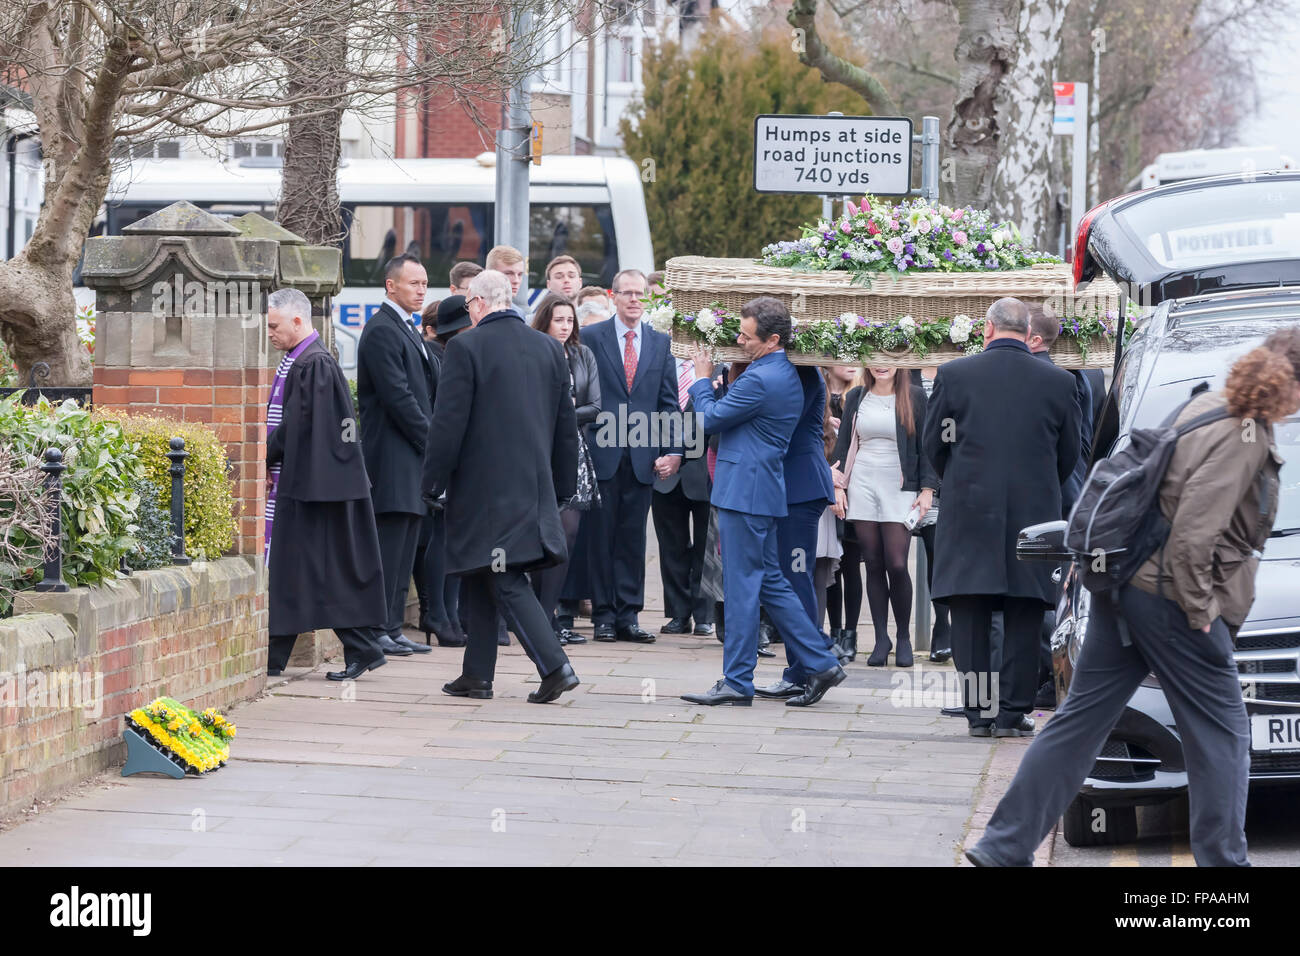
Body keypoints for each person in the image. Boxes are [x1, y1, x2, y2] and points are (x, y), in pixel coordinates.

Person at [969, 328, 1299, 868]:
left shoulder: (1206, 405)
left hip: (1120, 584)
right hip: (1170, 599)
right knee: (1224, 731)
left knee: (1078, 723)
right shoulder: (1245, 434)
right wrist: (1202, 619)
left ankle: (1002, 844)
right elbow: (1195, 537)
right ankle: (1224, 866)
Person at [422, 269, 581, 703]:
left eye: (469, 305)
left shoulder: (466, 347)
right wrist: (563, 484)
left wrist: (432, 480)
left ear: (477, 303)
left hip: (482, 489)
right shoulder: (549, 347)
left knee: (503, 572)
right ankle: (476, 674)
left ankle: (555, 666)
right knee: (482, 570)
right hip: (532, 483)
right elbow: (566, 426)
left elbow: (447, 424)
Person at [922, 298, 1079, 737]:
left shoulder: (954, 375)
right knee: (1025, 614)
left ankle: (979, 714)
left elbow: (934, 446)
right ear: (1026, 330)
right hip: (1033, 516)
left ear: (987, 329)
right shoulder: (1059, 382)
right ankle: (1012, 713)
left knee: (970, 610)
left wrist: (961, 481)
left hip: (970, 510)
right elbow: (1068, 456)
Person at [680, 297, 847, 708]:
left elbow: (707, 420)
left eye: (746, 335)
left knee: (742, 586)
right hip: (762, 489)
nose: (740, 340)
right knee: (770, 581)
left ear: (773, 339)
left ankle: (739, 681)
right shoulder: (780, 372)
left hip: (746, 491)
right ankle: (820, 661)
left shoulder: (763, 377)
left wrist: (702, 381)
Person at [264, 289, 387, 681]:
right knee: (297, 570)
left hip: (318, 490)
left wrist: (261, 454)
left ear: (298, 322)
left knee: (317, 569)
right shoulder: (302, 360)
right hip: (314, 485)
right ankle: (274, 655)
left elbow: (297, 427)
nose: (269, 333)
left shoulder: (312, 364)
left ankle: (364, 648)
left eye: (275, 326)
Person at [584, 268, 681, 644]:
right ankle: (603, 616)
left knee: (632, 538)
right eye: (627, 293)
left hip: (643, 457)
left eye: (640, 294)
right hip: (602, 452)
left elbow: (669, 404)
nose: (634, 300)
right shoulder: (592, 337)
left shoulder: (661, 343)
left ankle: (629, 614)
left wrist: (674, 450)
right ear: (614, 296)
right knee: (601, 536)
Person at [355, 253, 437, 657]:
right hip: (390, 457)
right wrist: (432, 441)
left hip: (411, 458)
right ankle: (376, 629)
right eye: (413, 283)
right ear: (391, 286)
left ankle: (391, 626)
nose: (421, 290)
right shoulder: (382, 330)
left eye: (424, 284)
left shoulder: (406, 327)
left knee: (405, 545)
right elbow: (398, 398)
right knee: (388, 548)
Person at [831, 366, 936, 668]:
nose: (881, 365)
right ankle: (881, 638)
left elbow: (927, 446)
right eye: (875, 359)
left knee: (897, 562)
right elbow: (843, 443)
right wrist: (838, 486)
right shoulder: (856, 396)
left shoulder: (914, 396)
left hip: (901, 484)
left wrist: (928, 488)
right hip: (863, 481)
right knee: (873, 563)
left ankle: (903, 636)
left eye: (887, 359)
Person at [753, 364, 838, 699]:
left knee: (795, 577)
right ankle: (805, 666)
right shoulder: (796, 372)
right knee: (791, 578)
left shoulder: (804, 373)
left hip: (800, 491)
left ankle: (812, 666)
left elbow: (779, 422)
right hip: (793, 489)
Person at [530, 293, 601, 646]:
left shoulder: (582, 354)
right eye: (558, 319)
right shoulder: (532, 351)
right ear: (544, 320)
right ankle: (532, 615)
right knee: (538, 534)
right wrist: (565, 410)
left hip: (572, 452)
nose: (565, 326)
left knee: (567, 533)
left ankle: (547, 615)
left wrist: (562, 413)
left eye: (569, 320)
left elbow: (595, 407)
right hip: (535, 450)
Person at [410, 296, 468, 647]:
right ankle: (438, 612)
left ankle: (447, 612)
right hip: (441, 453)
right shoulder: (435, 355)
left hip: (454, 453)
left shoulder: (450, 354)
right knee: (441, 537)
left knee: (450, 537)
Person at [652, 347, 715, 638]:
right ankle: (678, 614)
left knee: (705, 546)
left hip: (704, 470)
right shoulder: (660, 361)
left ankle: (705, 614)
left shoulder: (718, 363)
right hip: (663, 469)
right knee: (671, 546)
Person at [908, 367, 952, 663]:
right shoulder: (906, 369)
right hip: (907, 471)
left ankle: (943, 627)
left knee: (939, 556)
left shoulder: (959, 368)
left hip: (946, 475)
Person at [823, 366, 863, 661]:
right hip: (824, 487)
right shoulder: (819, 389)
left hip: (853, 487)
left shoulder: (860, 395)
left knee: (850, 564)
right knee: (829, 567)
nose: (851, 362)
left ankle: (850, 634)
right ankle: (834, 631)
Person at [486, 245, 527, 313]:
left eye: (520, 274)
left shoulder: (519, 313)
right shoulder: (471, 309)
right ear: (489, 274)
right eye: (508, 273)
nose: (516, 280)